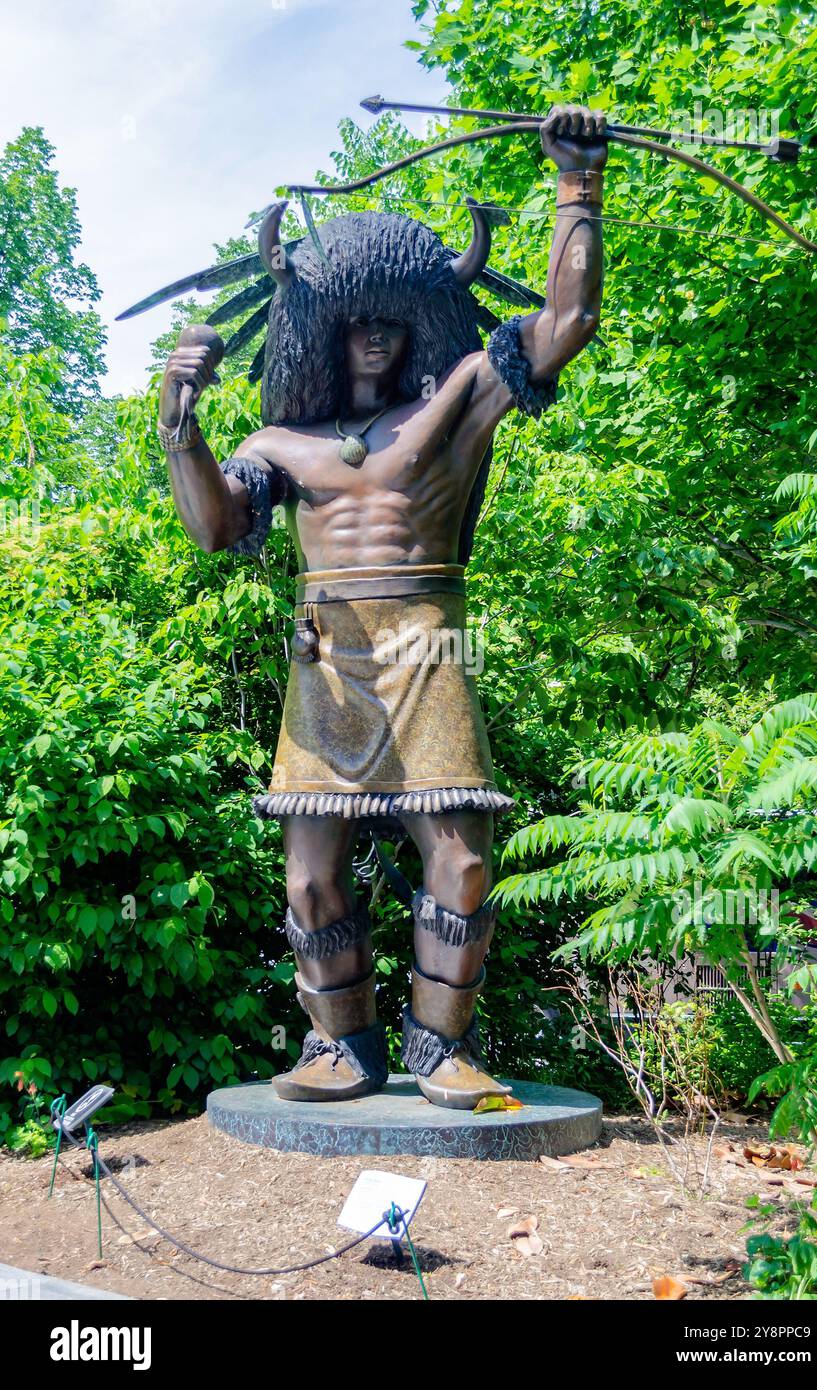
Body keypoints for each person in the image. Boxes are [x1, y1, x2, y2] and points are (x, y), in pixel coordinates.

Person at [157, 105, 606, 1108]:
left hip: (426, 645)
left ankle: (442, 1046)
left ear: (414, 317)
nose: (371, 331)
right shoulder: (281, 443)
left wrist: (577, 183)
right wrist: (178, 426)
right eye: (352, 315)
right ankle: (340, 1047)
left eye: (389, 314)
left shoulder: (457, 401)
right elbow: (218, 528)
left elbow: (566, 323)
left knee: (461, 861)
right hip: (327, 658)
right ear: (320, 324)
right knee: (310, 875)